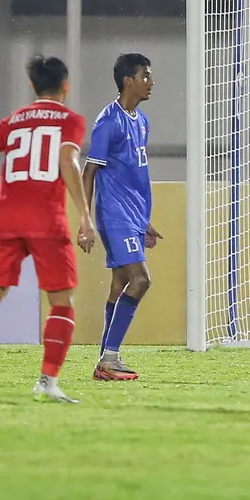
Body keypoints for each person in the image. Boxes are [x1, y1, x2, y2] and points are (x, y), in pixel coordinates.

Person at [0, 55, 95, 403]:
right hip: (47, 220)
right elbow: (67, 160)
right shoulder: (71, 120)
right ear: (66, 86)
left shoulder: (13, 120)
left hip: (7, 218)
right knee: (61, 301)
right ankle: (47, 382)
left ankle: (48, 383)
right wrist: (85, 215)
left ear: (32, 86)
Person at [83, 53, 159, 381]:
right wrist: (85, 219)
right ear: (128, 81)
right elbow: (89, 172)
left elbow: (132, 176)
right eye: (145, 76)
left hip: (132, 215)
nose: (151, 82)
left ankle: (105, 361)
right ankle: (110, 358)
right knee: (141, 280)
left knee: (120, 283)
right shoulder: (108, 122)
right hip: (113, 215)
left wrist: (144, 220)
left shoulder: (141, 121)